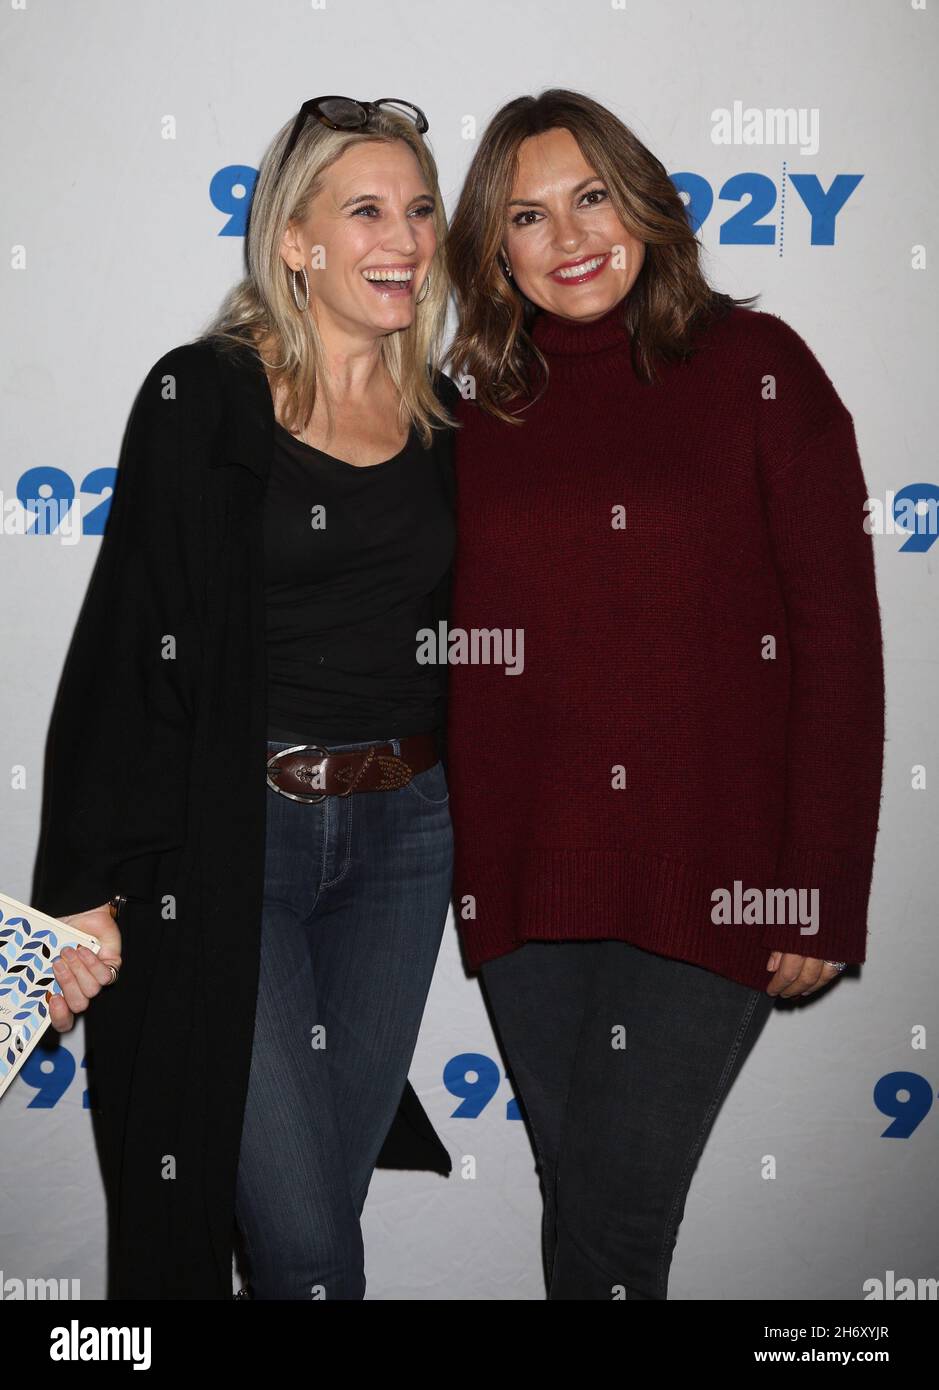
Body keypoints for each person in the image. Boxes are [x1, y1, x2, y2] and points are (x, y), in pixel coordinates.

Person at [443, 89, 885, 1300]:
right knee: (585, 1218)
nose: (569, 236)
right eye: (527, 216)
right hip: (528, 883)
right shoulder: (473, 409)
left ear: (643, 201)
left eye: (591, 196)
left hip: (718, 872)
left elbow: (838, 645)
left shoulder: (760, 367)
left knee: (608, 1234)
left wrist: (823, 886)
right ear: (493, 249)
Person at [33, 97, 459, 1300]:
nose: (406, 238)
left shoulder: (444, 413)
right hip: (238, 846)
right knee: (312, 1249)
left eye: (421, 208)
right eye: (366, 209)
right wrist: (81, 892)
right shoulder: (205, 397)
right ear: (294, 240)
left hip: (406, 843)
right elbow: (128, 642)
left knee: (318, 1211)